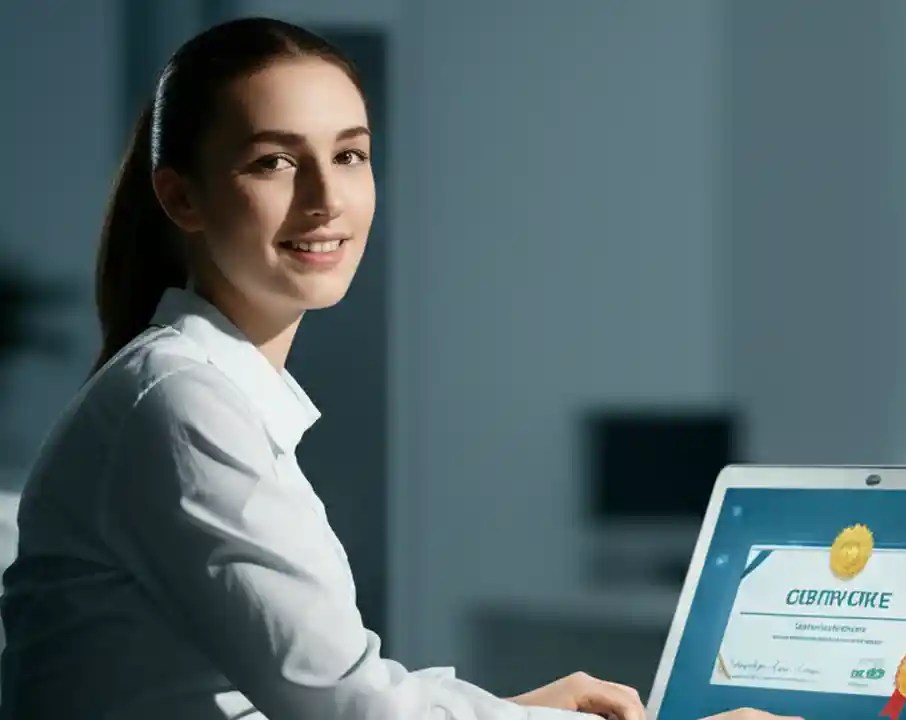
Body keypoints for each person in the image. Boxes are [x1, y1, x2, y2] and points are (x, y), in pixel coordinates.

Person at [0, 18, 797, 720]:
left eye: (349, 154)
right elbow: (347, 707)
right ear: (182, 198)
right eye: (275, 162)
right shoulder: (179, 400)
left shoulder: (196, 388)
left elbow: (318, 694)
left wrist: (507, 711)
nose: (325, 198)